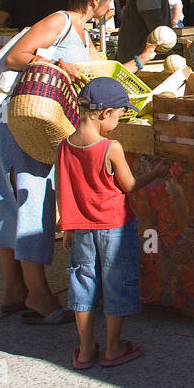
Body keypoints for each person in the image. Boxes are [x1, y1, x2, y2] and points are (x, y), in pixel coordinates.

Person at [0, 0, 117, 324]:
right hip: (23, 120)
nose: (111, 8)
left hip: (39, 122)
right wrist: (55, 64)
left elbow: (98, 70)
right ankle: (38, 295)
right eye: (111, 1)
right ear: (95, 0)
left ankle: (15, 290)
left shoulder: (82, 30)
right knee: (29, 199)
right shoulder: (59, 20)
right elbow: (16, 56)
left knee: (12, 199)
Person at [57, 76, 145, 369]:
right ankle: (113, 347)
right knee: (115, 283)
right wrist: (156, 174)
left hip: (81, 229)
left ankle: (84, 350)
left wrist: (67, 227)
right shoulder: (111, 147)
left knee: (83, 284)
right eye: (120, 116)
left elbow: (64, 189)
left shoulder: (64, 145)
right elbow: (130, 185)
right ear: (105, 113)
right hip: (114, 228)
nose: (119, 122)